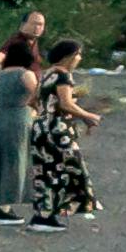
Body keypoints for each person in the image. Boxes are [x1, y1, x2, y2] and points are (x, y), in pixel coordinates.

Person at [25, 42, 99, 226]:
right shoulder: (63, 75)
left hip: (40, 128)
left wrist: (46, 111)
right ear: (69, 56)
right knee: (69, 168)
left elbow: (32, 100)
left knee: (45, 171)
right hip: (57, 130)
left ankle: (43, 214)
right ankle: (53, 214)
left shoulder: (45, 74)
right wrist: (87, 115)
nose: (79, 59)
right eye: (78, 55)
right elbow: (66, 103)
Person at [0, 14, 43, 221]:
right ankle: (5, 207)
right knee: (15, 161)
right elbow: (38, 95)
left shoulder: (1, 75)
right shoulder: (24, 74)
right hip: (17, 119)